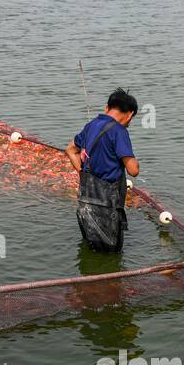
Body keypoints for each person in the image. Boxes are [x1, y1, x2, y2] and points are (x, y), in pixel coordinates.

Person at [64, 88, 140, 252]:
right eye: (131, 119)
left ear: (107, 108)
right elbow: (133, 170)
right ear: (129, 114)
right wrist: (135, 161)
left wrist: (82, 172)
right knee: (110, 254)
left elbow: (70, 150)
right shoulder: (119, 131)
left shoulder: (91, 125)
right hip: (106, 207)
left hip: (85, 203)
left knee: (91, 249)